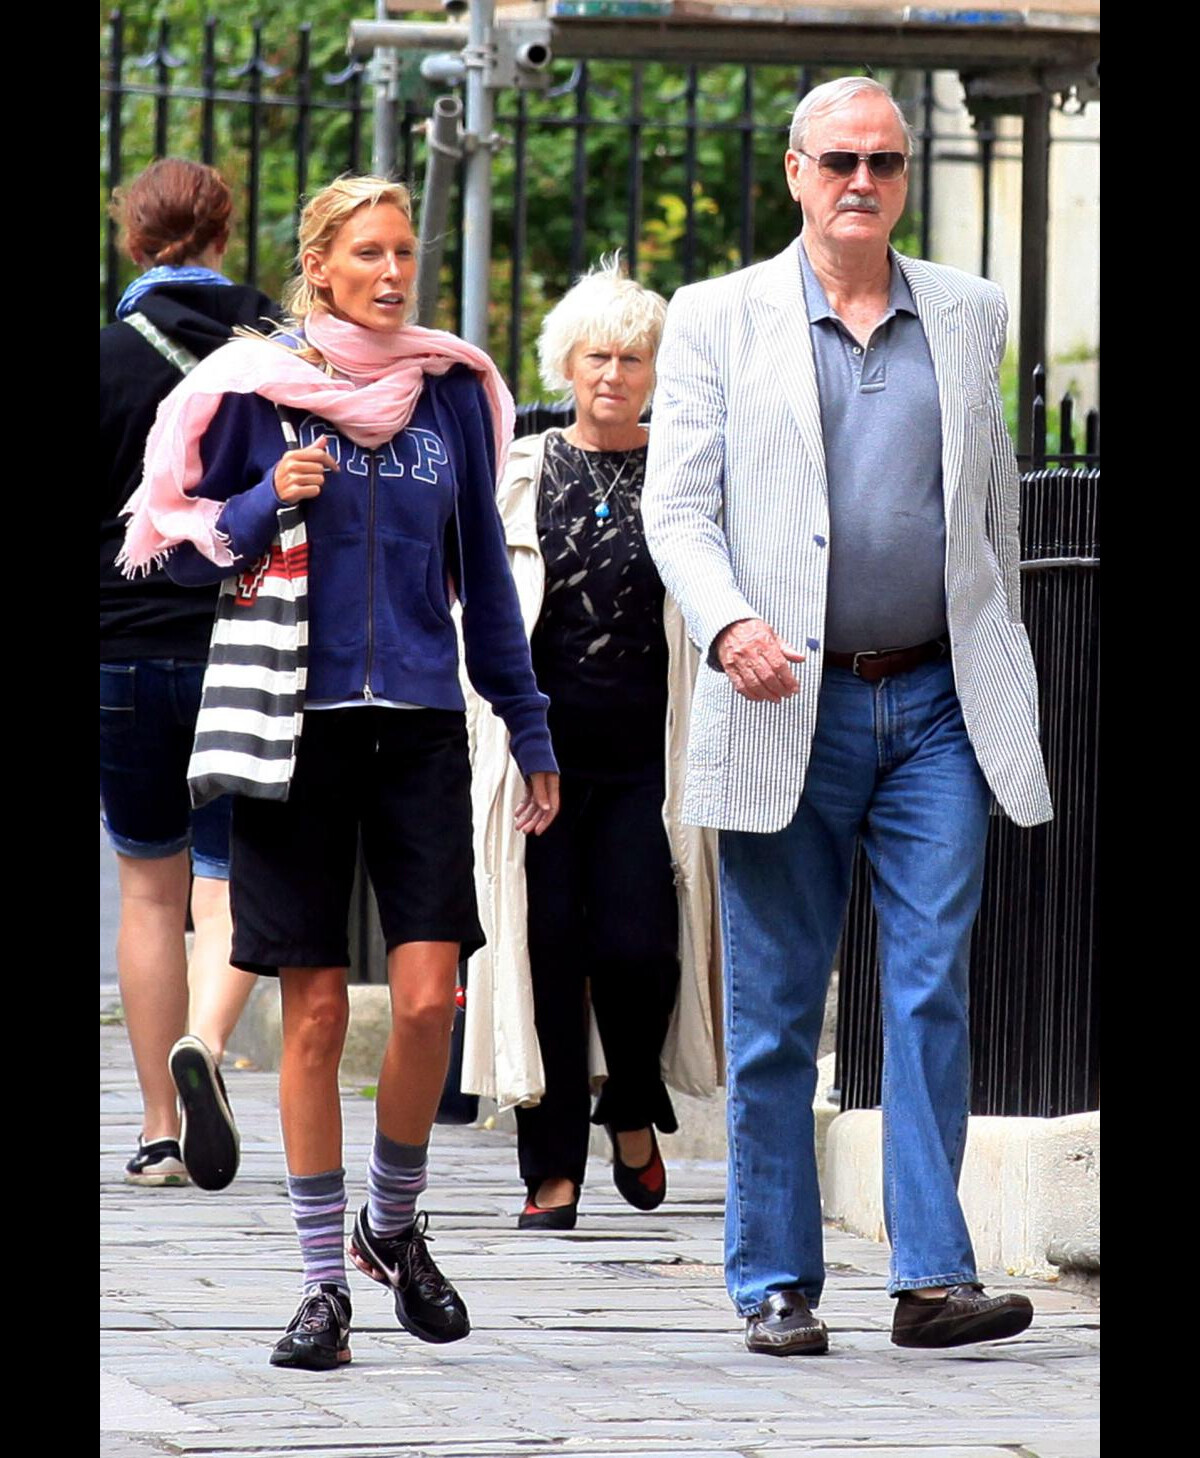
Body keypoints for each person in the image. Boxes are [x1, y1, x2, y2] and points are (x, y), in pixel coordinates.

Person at [119, 175, 560, 1371]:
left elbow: (484, 573)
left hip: (417, 723)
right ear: (319, 266)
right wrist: (272, 493)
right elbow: (182, 539)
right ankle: (322, 1283)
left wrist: (526, 726)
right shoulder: (254, 392)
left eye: (405, 252)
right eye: (368, 253)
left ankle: (393, 1222)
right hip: (291, 730)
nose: (392, 272)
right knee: (312, 1012)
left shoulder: (452, 395)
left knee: (427, 999)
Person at [642, 76, 1053, 1356]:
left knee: (932, 992)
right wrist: (728, 626)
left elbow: (995, 512)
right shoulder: (718, 317)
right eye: (839, 160)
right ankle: (775, 1280)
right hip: (786, 703)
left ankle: (932, 1277)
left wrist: (1002, 648)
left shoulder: (969, 310)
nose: (863, 179)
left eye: (884, 158)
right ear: (794, 172)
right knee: (775, 1012)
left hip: (934, 699)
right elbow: (679, 506)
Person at [460, 259, 722, 1230]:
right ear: (565, 363)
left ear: (658, 370)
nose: (613, 373)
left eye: (634, 356)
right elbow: (481, 611)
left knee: (638, 944)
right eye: (596, 355)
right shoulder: (519, 473)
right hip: (541, 755)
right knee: (546, 949)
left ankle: (633, 1109)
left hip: (650, 757)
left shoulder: (689, 472)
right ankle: (551, 1168)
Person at [101, 158, 275, 1191]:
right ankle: (204, 1048)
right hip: (244, 638)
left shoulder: (109, 358)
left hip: (121, 647)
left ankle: (162, 1128)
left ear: (134, 238)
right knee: (225, 880)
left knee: (146, 885)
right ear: (222, 235)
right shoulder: (270, 358)